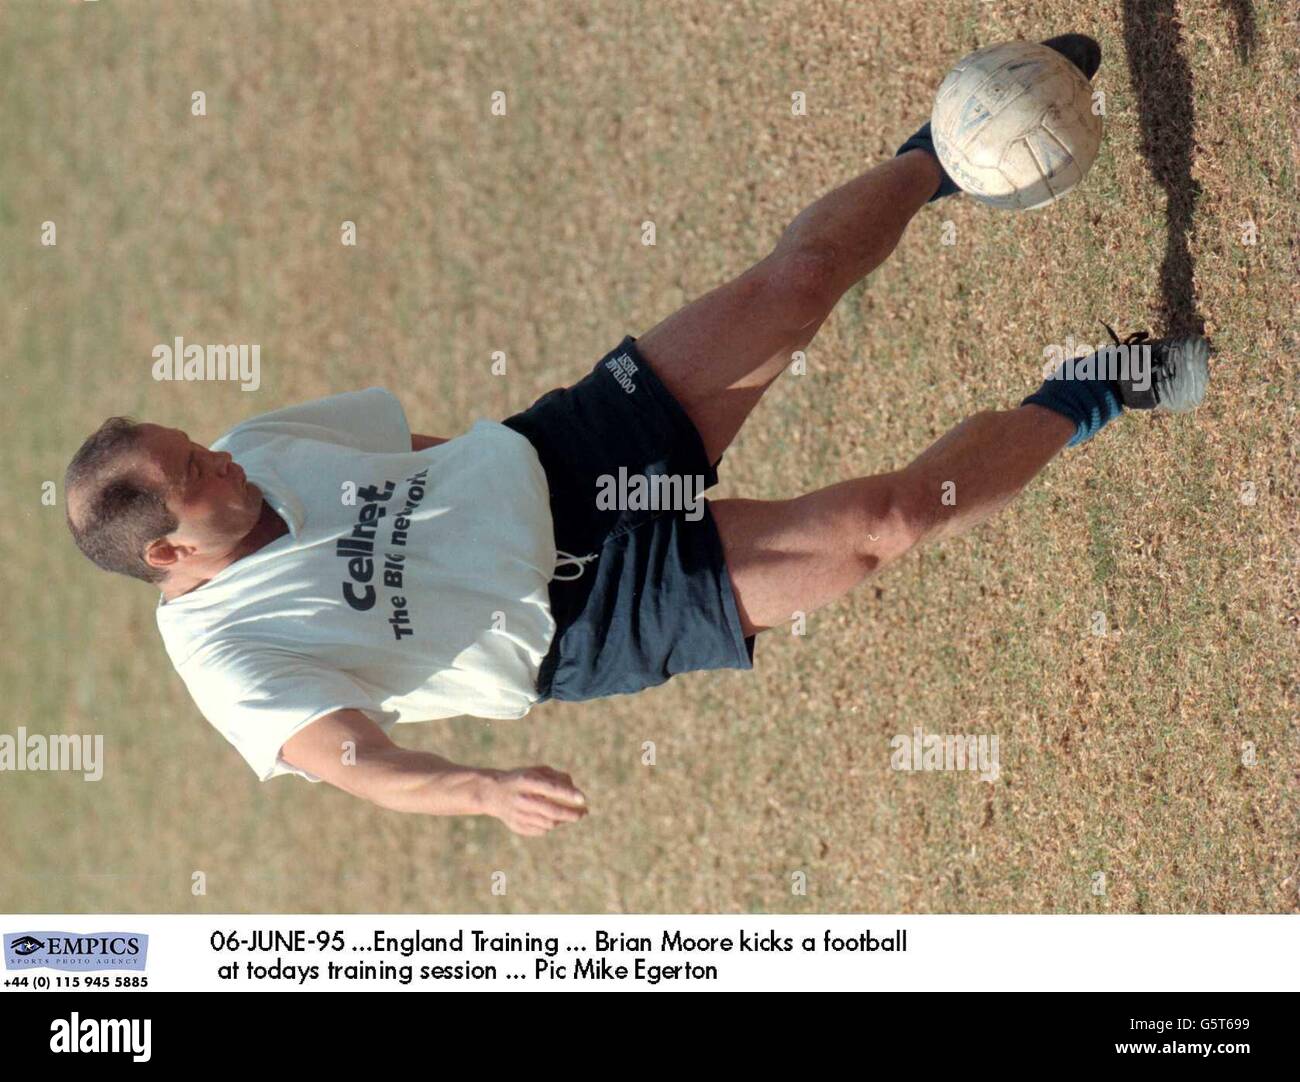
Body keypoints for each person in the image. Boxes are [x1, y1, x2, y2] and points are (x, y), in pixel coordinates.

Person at [64, 33, 1209, 836]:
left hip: (558, 454)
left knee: (796, 283)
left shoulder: (261, 445)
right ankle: (1097, 385)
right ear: (168, 550)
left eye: (195, 439)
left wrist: (487, 483)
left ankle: (953, 140)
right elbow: (363, 764)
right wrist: (482, 791)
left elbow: (402, 447)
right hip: (586, 615)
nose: (222, 455)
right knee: (884, 523)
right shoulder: (231, 663)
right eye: (196, 471)